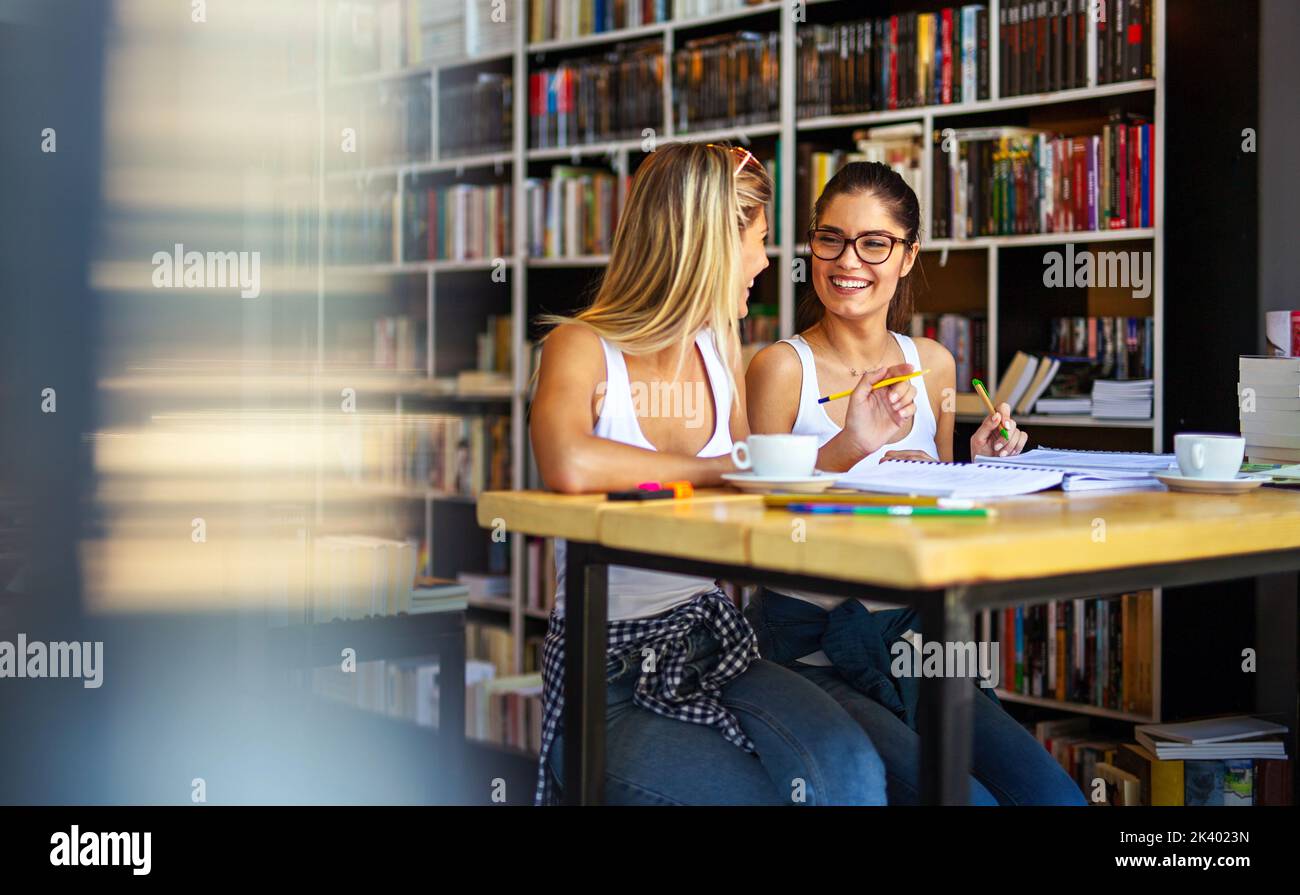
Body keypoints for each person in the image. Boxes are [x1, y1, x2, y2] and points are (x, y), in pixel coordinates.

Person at [528, 143, 891, 806]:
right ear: (710, 244)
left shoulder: (719, 351)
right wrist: (715, 469)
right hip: (606, 672)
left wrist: (846, 448)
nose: (765, 260)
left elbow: (758, 484)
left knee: (854, 773)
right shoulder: (580, 347)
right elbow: (569, 462)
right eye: (759, 240)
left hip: (714, 642)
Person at [744, 160, 1085, 805]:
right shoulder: (780, 367)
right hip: (813, 649)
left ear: (906, 257)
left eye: (875, 243)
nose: (849, 260)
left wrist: (984, 465)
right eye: (831, 238)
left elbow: (940, 508)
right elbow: (760, 521)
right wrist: (849, 447)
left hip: (921, 645)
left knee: (1058, 799)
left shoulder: (932, 364)